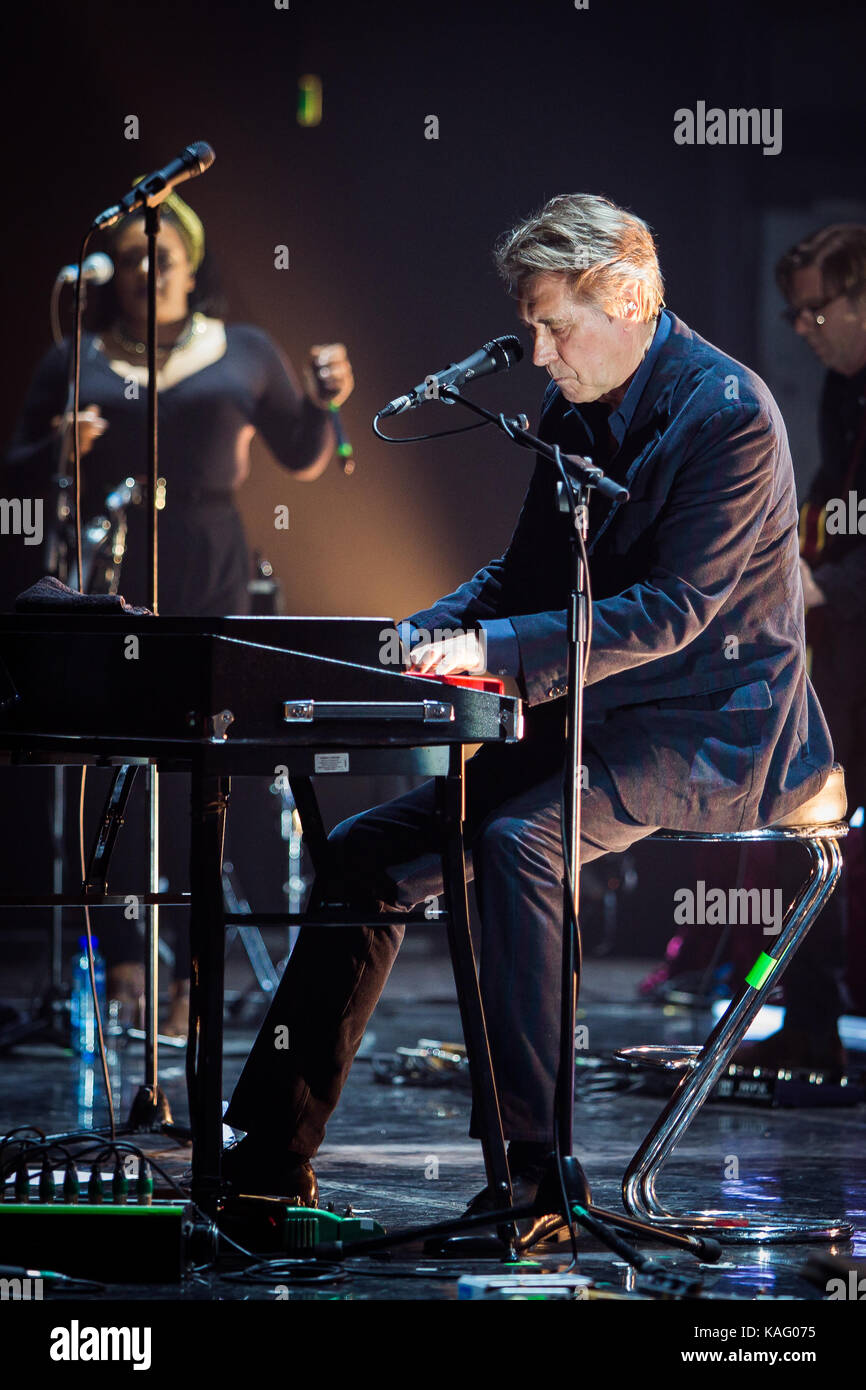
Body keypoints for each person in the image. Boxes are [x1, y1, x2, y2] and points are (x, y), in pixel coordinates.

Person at [222, 193, 833, 1240]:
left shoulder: (726, 412)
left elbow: (676, 613)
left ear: (630, 297)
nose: (539, 352)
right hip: (591, 720)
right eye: (534, 328)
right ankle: (268, 1161)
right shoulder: (571, 406)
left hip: (709, 728)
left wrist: (495, 655)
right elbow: (520, 577)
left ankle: (534, 1179)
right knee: (366, 856)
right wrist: (405, 641)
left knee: (519, 836)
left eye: (556, 325)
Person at [2, 190, 354, 1032]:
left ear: (191, 266)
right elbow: (15, 469)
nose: (147, 269)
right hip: (116, 562)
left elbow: (306, 453)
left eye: (161, 255)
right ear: (110, 275)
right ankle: (124, 957)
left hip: (210, 556)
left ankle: (198, 965)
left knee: (208, 756)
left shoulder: (245, 350)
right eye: (129, 257)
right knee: (121, 750)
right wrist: (59, 449)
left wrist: (330, 398)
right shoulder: (77, 356)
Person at [744, 222, 866, 1067]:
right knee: (809, 806)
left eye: (815, 309)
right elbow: (832, 495)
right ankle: (810, 1025)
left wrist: (831, 581)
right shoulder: (839, 389)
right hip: (849, 644)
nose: (803, 327)